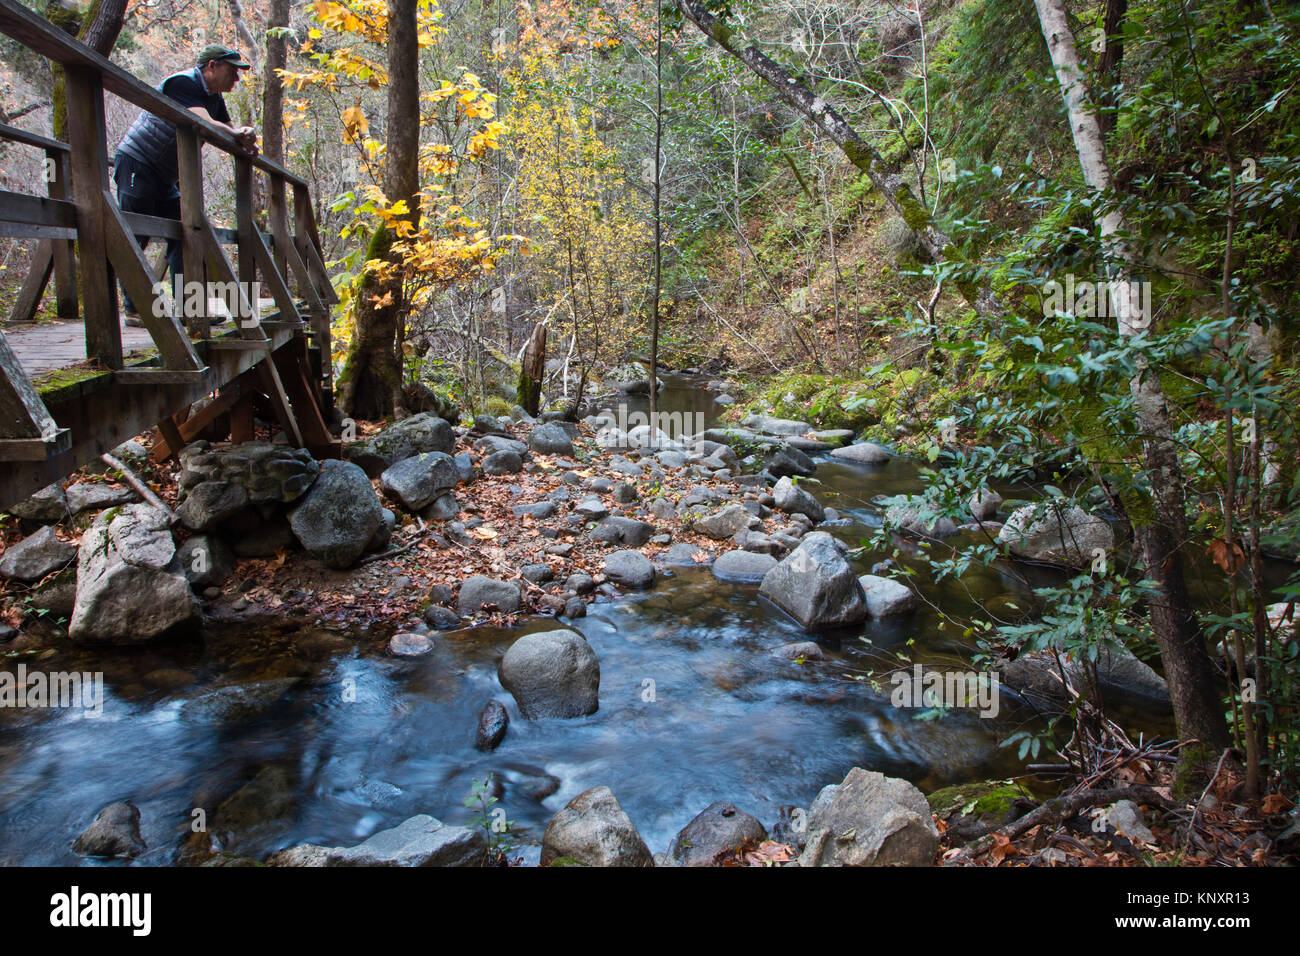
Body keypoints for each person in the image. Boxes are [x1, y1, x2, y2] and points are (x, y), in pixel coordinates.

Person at [113, 44, 259, 326]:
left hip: (165, 175)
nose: (236, 80)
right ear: (212, 66)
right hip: (138, 161)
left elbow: (230, 133)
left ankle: (190, 308)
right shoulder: (182, 83)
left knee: (187, 234)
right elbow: (202, 122)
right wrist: (237, 133)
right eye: (233, 72)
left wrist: (246, 140)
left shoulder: (214, 98)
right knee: (136, 235)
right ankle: (134, 309)